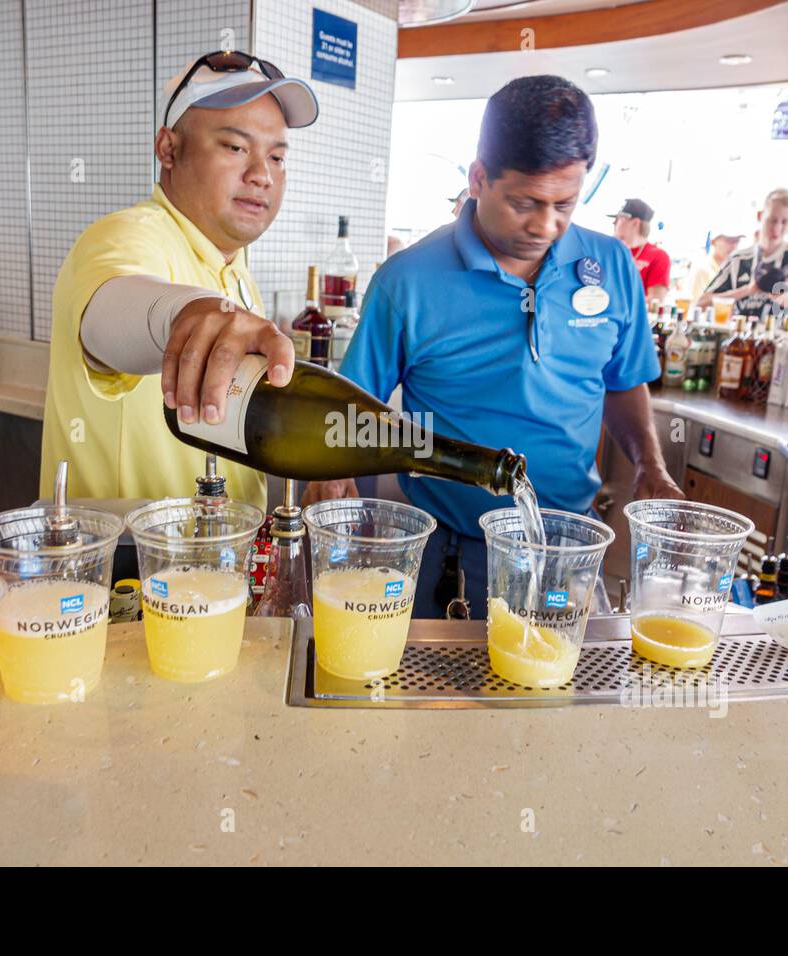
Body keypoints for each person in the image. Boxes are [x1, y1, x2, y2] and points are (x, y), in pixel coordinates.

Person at [305, 75, 684, 619]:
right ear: (478, 177)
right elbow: (351, 409)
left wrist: (650, 464)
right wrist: (332, 473)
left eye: (566, 204)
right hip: (451, 555)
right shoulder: (408, 280)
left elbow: (623, 382)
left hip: (569, 553)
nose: (546, 225)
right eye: (525, 202)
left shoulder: (614, 266)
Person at [39, 51, 318, 505]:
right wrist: (187, 314)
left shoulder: (235, 266)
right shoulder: (125, 235)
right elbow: (112, 311)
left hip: (224, 566)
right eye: (235, 147)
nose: (261, 175)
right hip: (131, 567)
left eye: (277, 157)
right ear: (168, 149)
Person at [697, 188, 788, 318]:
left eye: (785, 222)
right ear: (760, 216)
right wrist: (747, 290)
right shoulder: (738, 260)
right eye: (772, 220)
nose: (777, 228)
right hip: (740, 341)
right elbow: (701, 303)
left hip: (781, 339)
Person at [610, 198, 670, 304]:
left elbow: (656, 301)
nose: (614, 223)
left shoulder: (658, 256)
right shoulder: (611, 252)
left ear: (635, 223)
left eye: (618, 219)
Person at [688, 230, 744, 302]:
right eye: (729, 240)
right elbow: (695, 305)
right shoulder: (702, 269)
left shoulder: (737, 269)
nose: (733, 246)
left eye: (737, 241)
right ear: (713, 242)